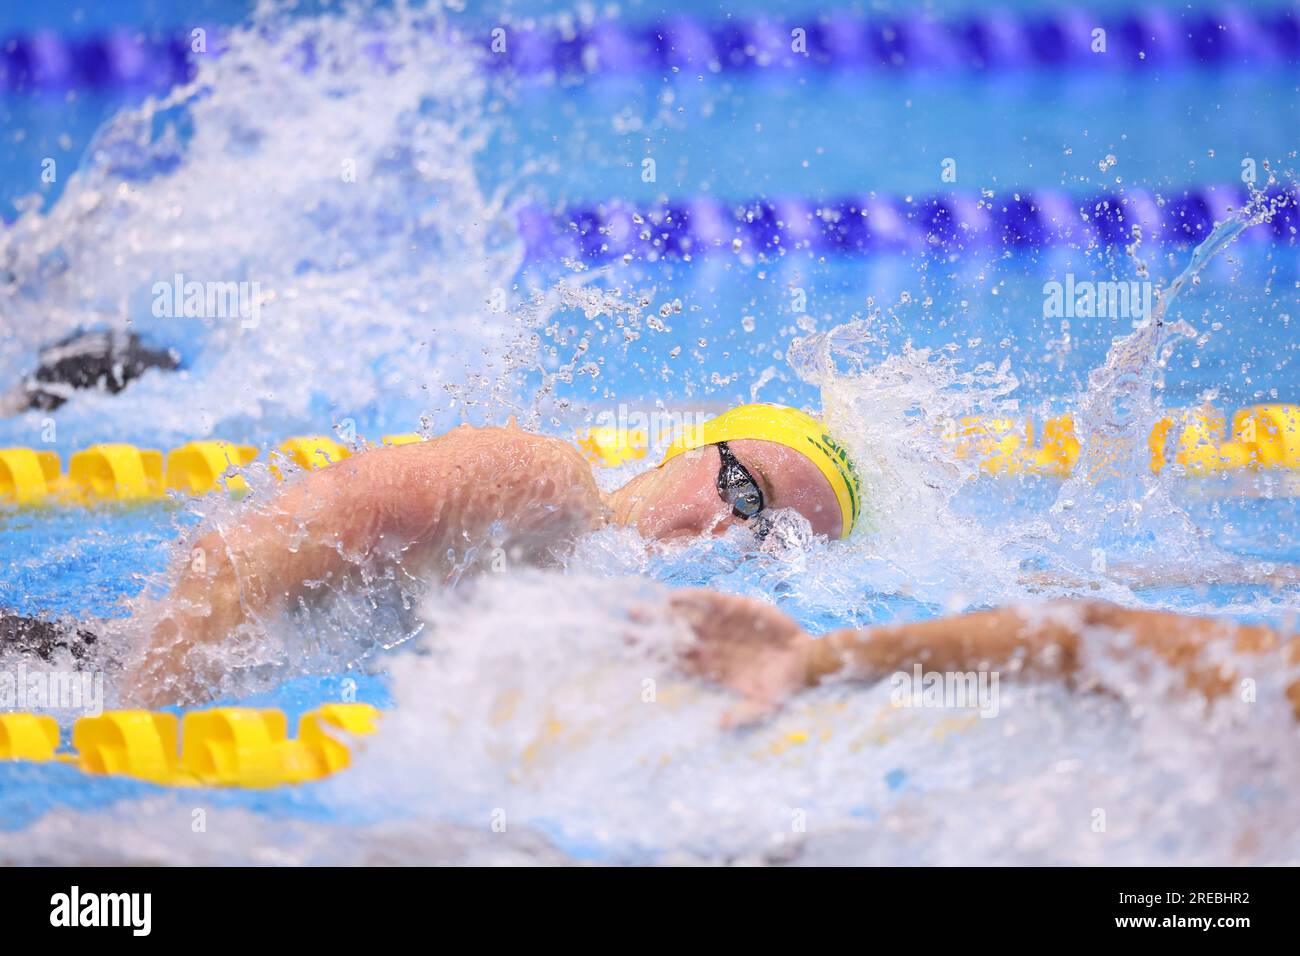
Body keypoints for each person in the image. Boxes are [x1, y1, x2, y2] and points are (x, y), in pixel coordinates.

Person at [5, 403, 1297, 721]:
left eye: (771, 533)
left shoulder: (640, 645)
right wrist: (147, 729)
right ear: (689, 451)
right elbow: (241, 549)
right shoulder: (539, 487)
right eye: (740, 485)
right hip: (79, 681)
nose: (731, 527)